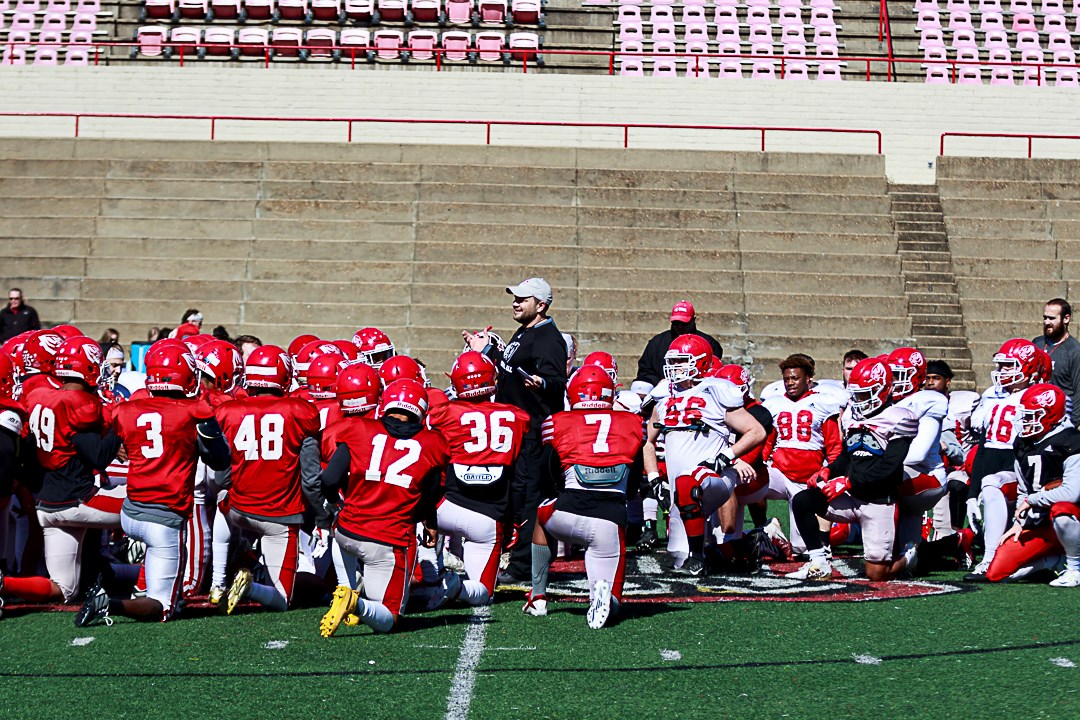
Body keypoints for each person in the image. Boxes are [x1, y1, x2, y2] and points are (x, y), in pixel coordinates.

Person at [74, 342, 230, 626]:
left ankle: (114, 574)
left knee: (162, 570)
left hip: (129, 513)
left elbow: (107, 448)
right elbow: (220, 460)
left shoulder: (126, 409)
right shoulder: (195, 411)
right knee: (162, 608)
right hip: (164, 517)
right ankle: (109, 602)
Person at [316, 379, 449, 636]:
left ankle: (347, 591)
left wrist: (337, 501)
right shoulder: (434, 443)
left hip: (345, 533)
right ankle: (354, 603)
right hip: (386, 542)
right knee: (390, 617)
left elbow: (329, 479)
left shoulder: (357, 428)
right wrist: (428, 521)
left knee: (343, 532)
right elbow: (430, 496)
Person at [463, 277, 568, 582]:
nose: (515, 303)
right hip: (519, 430)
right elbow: (511, 368)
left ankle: (523, 566)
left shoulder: (549, 339)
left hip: (535, 432)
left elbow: (556, 382)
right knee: (517, 497)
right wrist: (486, 351)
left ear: (541, 304)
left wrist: (543, 383)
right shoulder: (526, 331)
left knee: (530, 500)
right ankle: (515, 558)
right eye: (515, 298)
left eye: (523, 299)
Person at [525, 366, 644, 628]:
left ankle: (538, 597)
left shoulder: (557, 421)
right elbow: (635, 479)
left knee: (542, 514)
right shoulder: (634, 423)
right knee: (613, 602)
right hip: (609, 521)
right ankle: (605, 599)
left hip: (567, 514)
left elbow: (547, 471)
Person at [786, 357, 920, 581]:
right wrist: (829, 471)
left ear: (883, 390)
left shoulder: (899, 418)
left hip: (878, 499)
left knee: (877, 574)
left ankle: (909, 555)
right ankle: (818, 561)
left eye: (866, 394)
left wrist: (847, 481)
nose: (860, 400)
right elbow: (848, 454)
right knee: (803, 501)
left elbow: (889, 467)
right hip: (851, 497)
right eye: (857, 394)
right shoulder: (851, 415)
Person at [643, 334, 766, 575]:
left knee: (688, 482)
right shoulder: (663, 395)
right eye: (673, 361)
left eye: (681, 361)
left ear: (700, 362)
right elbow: (648, 441)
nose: (675, 367)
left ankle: (699, 556)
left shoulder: (715, 390)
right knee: (678, 555)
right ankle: (745, 548)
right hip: (680, 485)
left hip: (715, 476)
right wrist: (654, 478)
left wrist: (726, 456)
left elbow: (756, 431)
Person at [215, 345, 321, 614]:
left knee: (221, 498)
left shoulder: (229, 411)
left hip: (238, 512)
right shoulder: (301, 411)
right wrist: (323, 513)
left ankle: (222, 575)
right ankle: (251, 586)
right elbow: (309, 479)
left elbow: (222, 475)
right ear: (285, 377)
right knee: (283, 598)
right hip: (280, 518)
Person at [426, 351, 530, 608]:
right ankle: (457, 586)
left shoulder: (442, 414)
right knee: (483, 593)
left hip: (443, 510)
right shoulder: (518, 417)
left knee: (406, 511)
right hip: (488, 518)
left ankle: (427, 578)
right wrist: (514, 518)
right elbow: (521, 476)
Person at [985, 384, 1080, 587]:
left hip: (1072, 516)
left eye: (1031, 416)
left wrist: (1032, 500)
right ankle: (1055, 561)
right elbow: (1023, 487)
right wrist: (1020, 522)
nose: (1025, 422)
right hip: (1040, 522)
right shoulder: (1023, 443)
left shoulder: (1071, 441)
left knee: (1062, 510)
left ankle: (1075, 568)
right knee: (997, 573)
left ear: (1050, 415)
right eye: (1024, 416)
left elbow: (1072, 492)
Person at [631, 301, 723, 395]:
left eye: (684, 323)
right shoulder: (656, 343)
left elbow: (713, 371)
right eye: (676, 323)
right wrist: (659, 382)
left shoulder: (709, 344)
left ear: (693, 320)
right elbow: (645, 372)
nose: (679, 327)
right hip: (663, 393)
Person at [1032, 298, 1080, 425]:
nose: (1046, 322)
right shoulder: (1037, 343)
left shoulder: (1074, 351)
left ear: (1066, 319)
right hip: (1034, 413)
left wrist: (1072, 425)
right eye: (1045, 317)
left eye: (1052, 318)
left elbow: (1079, 392)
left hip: (1060, 417)